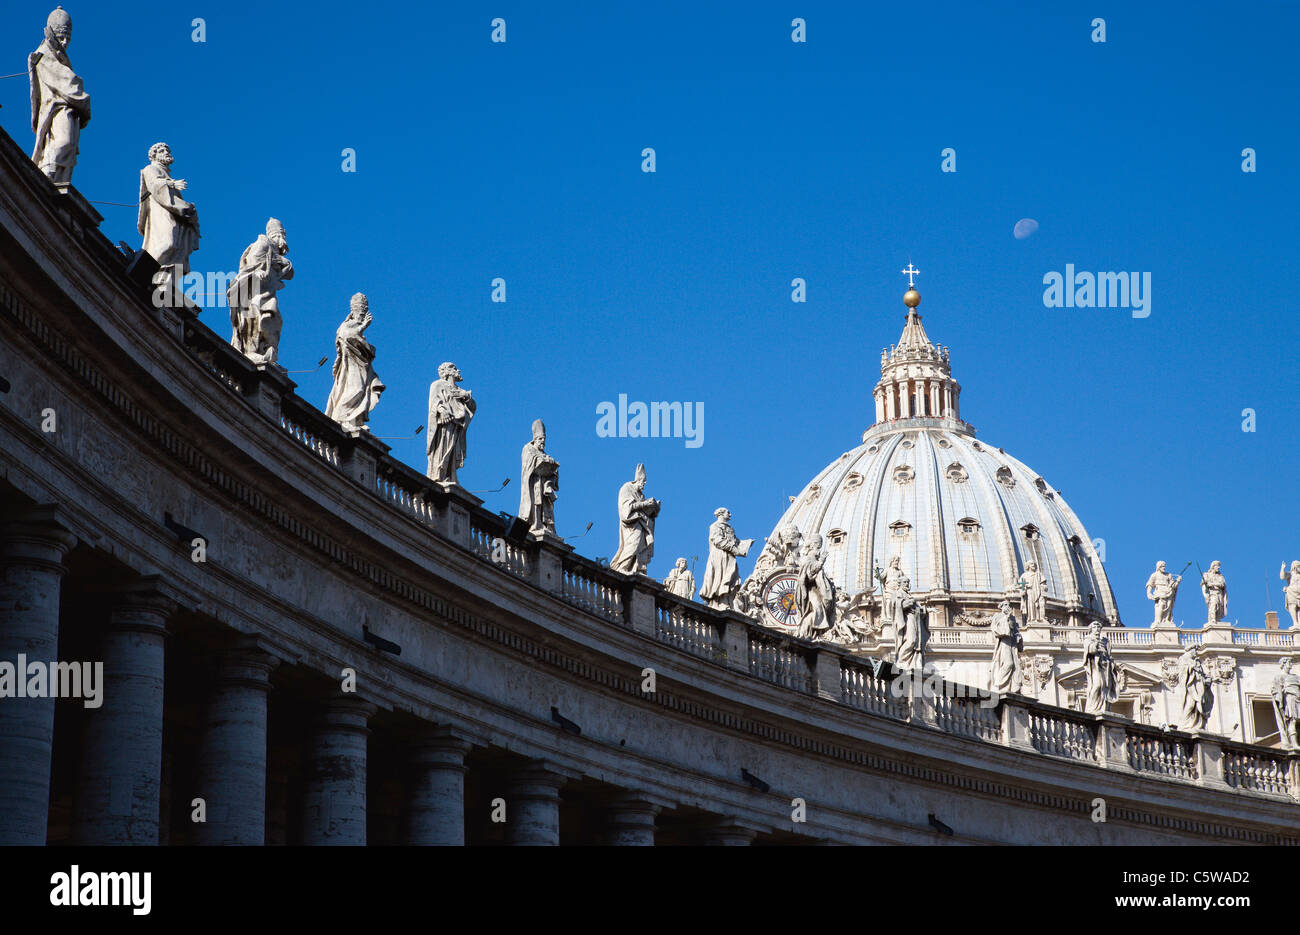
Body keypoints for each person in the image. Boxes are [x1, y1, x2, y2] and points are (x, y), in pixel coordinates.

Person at [28, 7, 91, 186]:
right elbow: (67, 82)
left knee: (68, 146)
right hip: (56, 109)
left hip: (68, 110)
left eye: (67, 39)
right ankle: (47, 173)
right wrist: (84, 98)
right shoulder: (44, 54)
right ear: (51, 33)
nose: (64, 43)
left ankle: (57, 178)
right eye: (61, 37)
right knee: (62, 143)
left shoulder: (59, 56)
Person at [323, 293, 384, 433]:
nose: (362, 317)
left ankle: (354, 419)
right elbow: (347, 336)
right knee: (356, 389)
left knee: (362, 390)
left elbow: (362, 346)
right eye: (361, 313)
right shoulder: (349, 324)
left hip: (360, 365)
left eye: (364, 313)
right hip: (351, 365)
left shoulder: (354, 324)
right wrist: (362, 327)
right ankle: (343, 418)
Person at [426, 363, 475, 485]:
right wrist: (442, 410)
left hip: (458, 426)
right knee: (443, 449)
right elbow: (433, 402)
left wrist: (466, 397)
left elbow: (473, 407)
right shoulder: (437, 385)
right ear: (446, 371)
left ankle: (451, 476)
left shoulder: (460, 391)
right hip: (445, 424)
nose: (458, 370)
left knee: (453, 450)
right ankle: (438, 475)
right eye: (454, 368)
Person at [699, 508, 752, 610]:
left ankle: (728, 601)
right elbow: (718, 541)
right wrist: (734, 549)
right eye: (728, 512)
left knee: (732, 577)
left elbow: (736, 541)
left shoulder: (729, 528)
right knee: (721, 578)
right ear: (721, 514)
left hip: (729, 556)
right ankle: (720, 602)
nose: (730, 514)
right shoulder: (715, 526)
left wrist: (747, 543)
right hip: (720, 556)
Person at [610, 464, 659, 574]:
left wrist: (654, 510)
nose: (644, 485)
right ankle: (622, 567)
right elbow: (626, 507)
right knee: (633, 544)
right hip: (631, 525)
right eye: (643, 482)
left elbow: (644, 511)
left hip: (641, 524)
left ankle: (636, 567)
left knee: (639, 547)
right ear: (638, 480)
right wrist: (644, 504)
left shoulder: (641, 495)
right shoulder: (626, 488)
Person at [518, 420, 559, 535]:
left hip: (543, 484)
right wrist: (540, 460)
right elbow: (529, 464)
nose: (543, 441)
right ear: (535, 439)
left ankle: (546, 525)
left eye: (544, 439)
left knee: (544, 504)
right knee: (535, 503)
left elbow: (553, 471)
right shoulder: (528, 448)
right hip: (534, 483)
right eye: (541, 439)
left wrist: (552, 465)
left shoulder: (545, 454)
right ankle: (536, 525)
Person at [988, 600, 1023, 694]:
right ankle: (998, 685)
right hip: (1004, 642)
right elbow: (996, 629)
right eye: (1006, 605)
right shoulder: (997, 616)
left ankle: (1010, 687)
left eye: (1009, 605)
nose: (1008, 607)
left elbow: (1015, 630)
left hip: (1012, 643)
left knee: (1015, 665)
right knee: (1009, 663)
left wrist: (1018, 636)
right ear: (1001, 606)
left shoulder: (1013, 618)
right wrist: (1007, 617)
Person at [1082, 622, 1118, 713]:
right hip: (1095, 666)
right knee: (1097, 684)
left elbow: (1108, 653)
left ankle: (1103, 707)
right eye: (1094, 627)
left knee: (1106, 686)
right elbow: (1090, 650)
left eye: (1099, 627)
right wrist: (1096, 644)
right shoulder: (1088, 638)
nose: (1097, 629)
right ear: (1091, 629)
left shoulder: (1105, 640)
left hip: (1105, 665)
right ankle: (1092, 707)